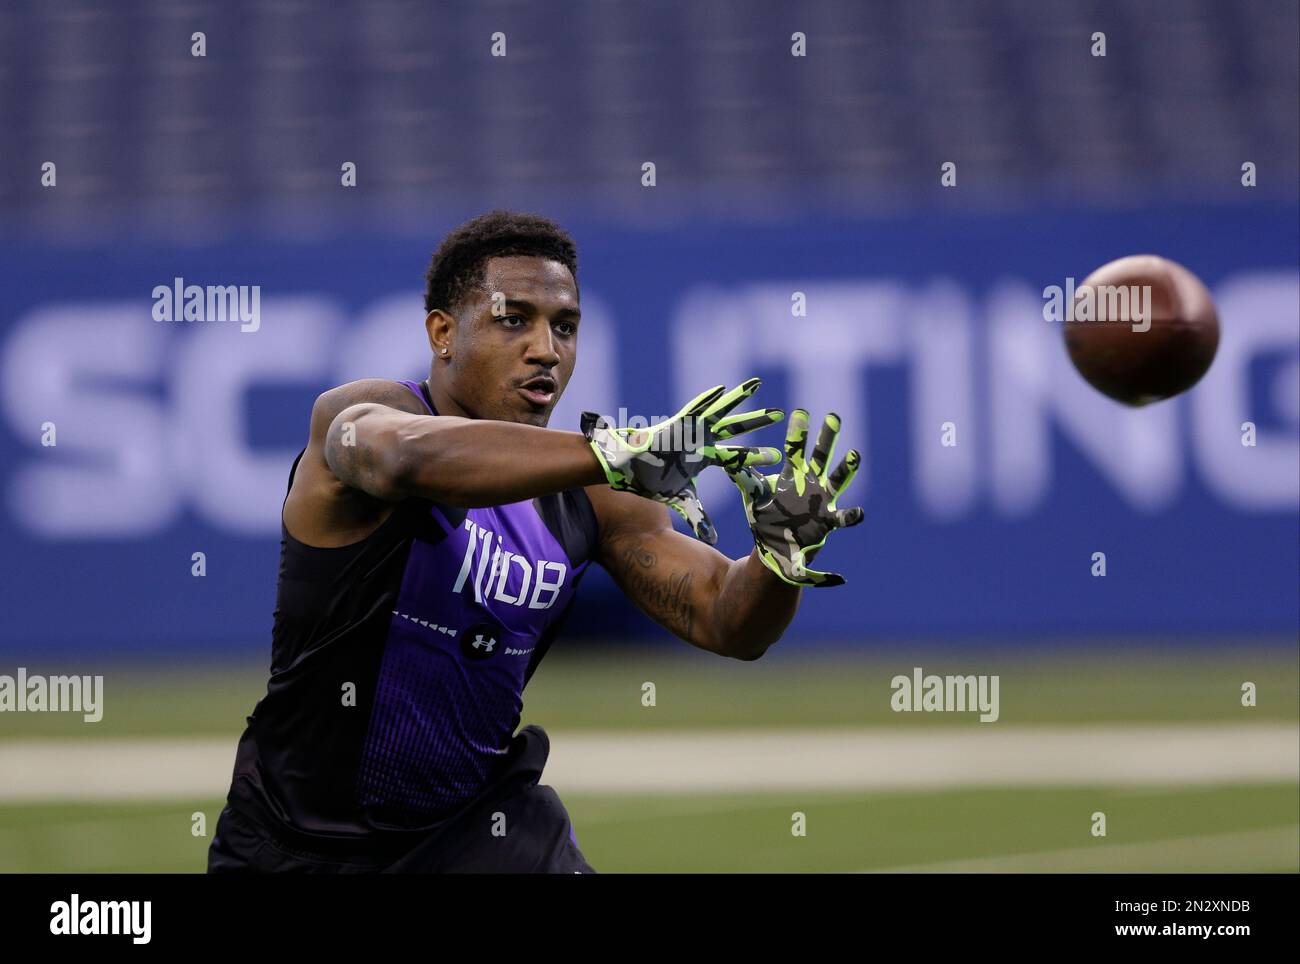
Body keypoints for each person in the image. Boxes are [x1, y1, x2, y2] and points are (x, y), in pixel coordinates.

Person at [208, 210, 862, 873]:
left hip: (477, 833)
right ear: (442, 332)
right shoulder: (361, 420)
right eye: (513, 319)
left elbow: (727, 619)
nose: (546, 348)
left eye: (566, 326)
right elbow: (406, 460)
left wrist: (779, 560)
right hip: (292, 845)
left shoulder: (592, 489)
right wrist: (617, 451)